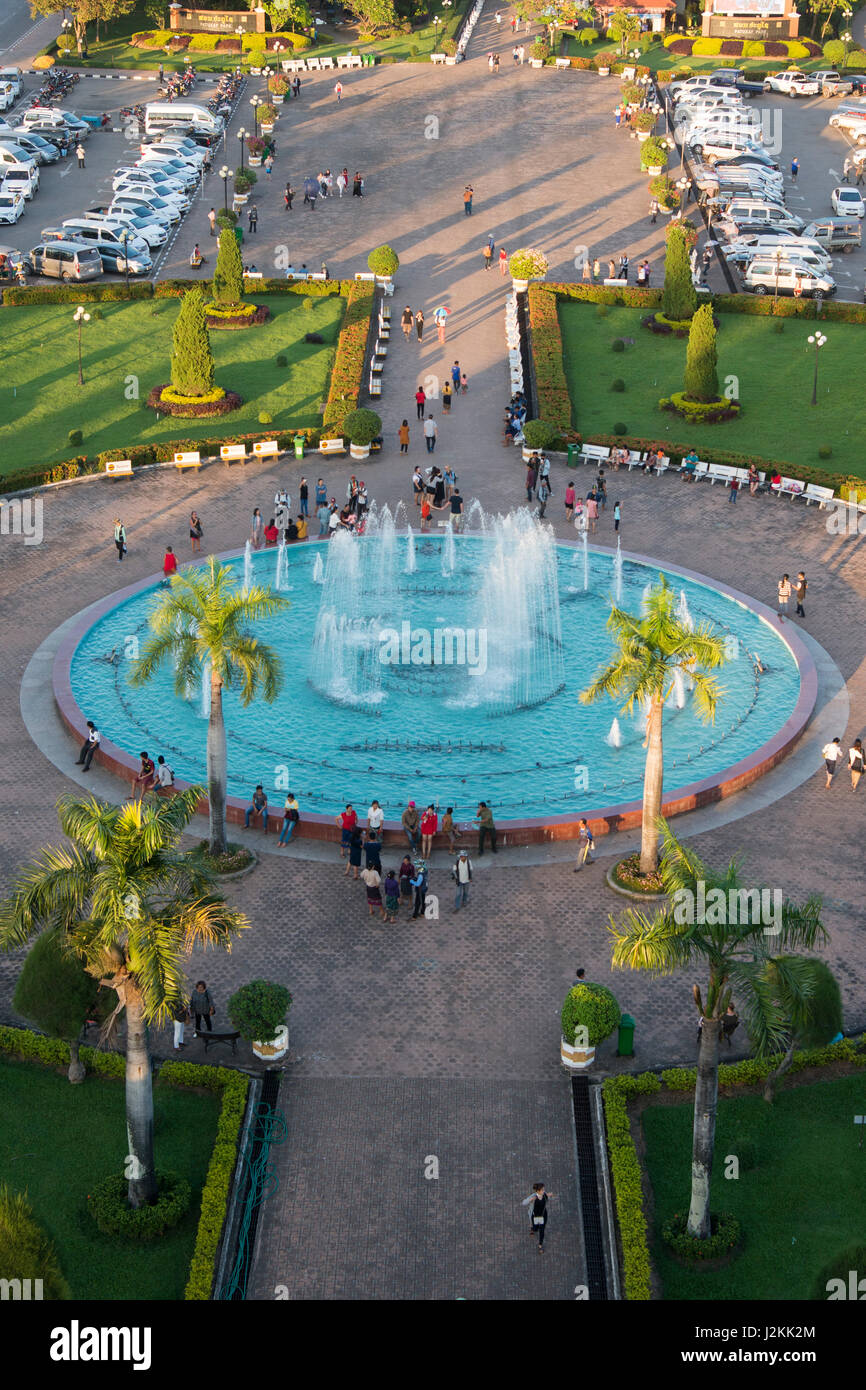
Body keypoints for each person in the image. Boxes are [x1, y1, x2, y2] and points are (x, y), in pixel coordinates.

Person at [521, 1183, 554, 1253]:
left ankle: (540, 1245)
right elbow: (523, 1203)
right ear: (538, 1191)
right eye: (542, 1190)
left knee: (542, 1230)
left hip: (543, 1215)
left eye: (543, 1189)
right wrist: (530, 1200)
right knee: (535, 1228)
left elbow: (548, 1198)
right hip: (535, 1216)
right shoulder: (534, 1196)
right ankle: (533, 1229)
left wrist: (549, 1195)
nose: (544, 1191)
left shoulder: (544, 1194)